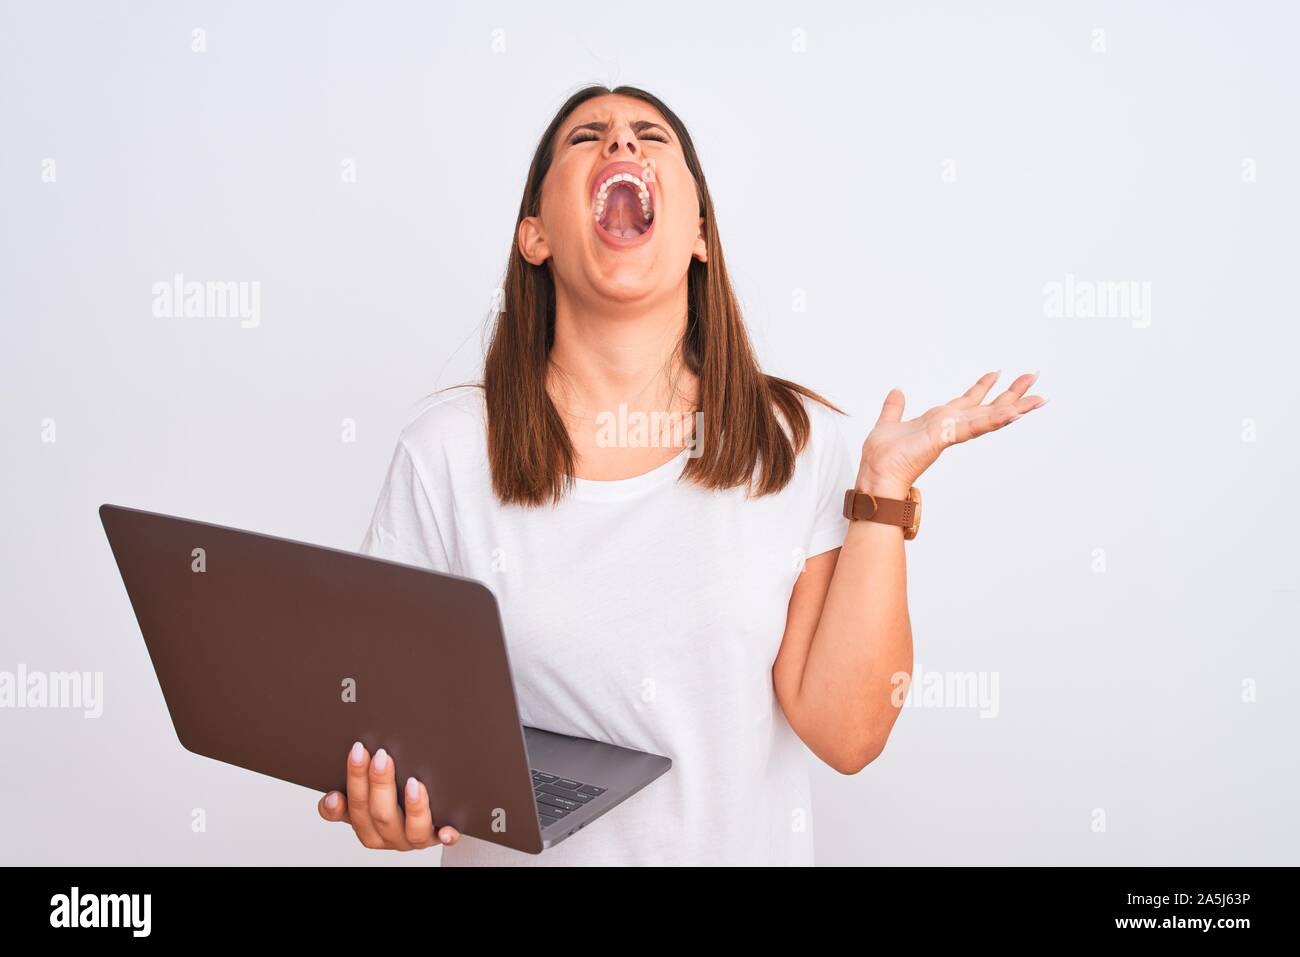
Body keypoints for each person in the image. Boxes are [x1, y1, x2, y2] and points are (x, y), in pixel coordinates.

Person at [316, 85, 1045, 865]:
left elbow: (847, 732)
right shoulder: (447, 453)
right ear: (535, 236)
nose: (622, 145)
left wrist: (884, 493)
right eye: (588, 136)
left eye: (649, 136)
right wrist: (391, 796)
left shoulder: (799, 446)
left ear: (700, 232)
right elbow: (380, 728)